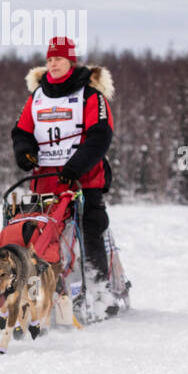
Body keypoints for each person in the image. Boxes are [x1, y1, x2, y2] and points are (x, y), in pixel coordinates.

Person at [11, 36, 116, 306]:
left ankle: (100, 290)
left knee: (90, 227)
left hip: (84, 178)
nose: (52, 64)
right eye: (49, 59)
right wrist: (24, 152)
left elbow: (100, 136)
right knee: (39, 234)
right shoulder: (37, 96)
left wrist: (75, 168)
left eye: (58, 58)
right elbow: (22, 131)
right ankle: (47, 289)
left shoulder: (91, 95)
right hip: (45, 180)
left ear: (71, 61)